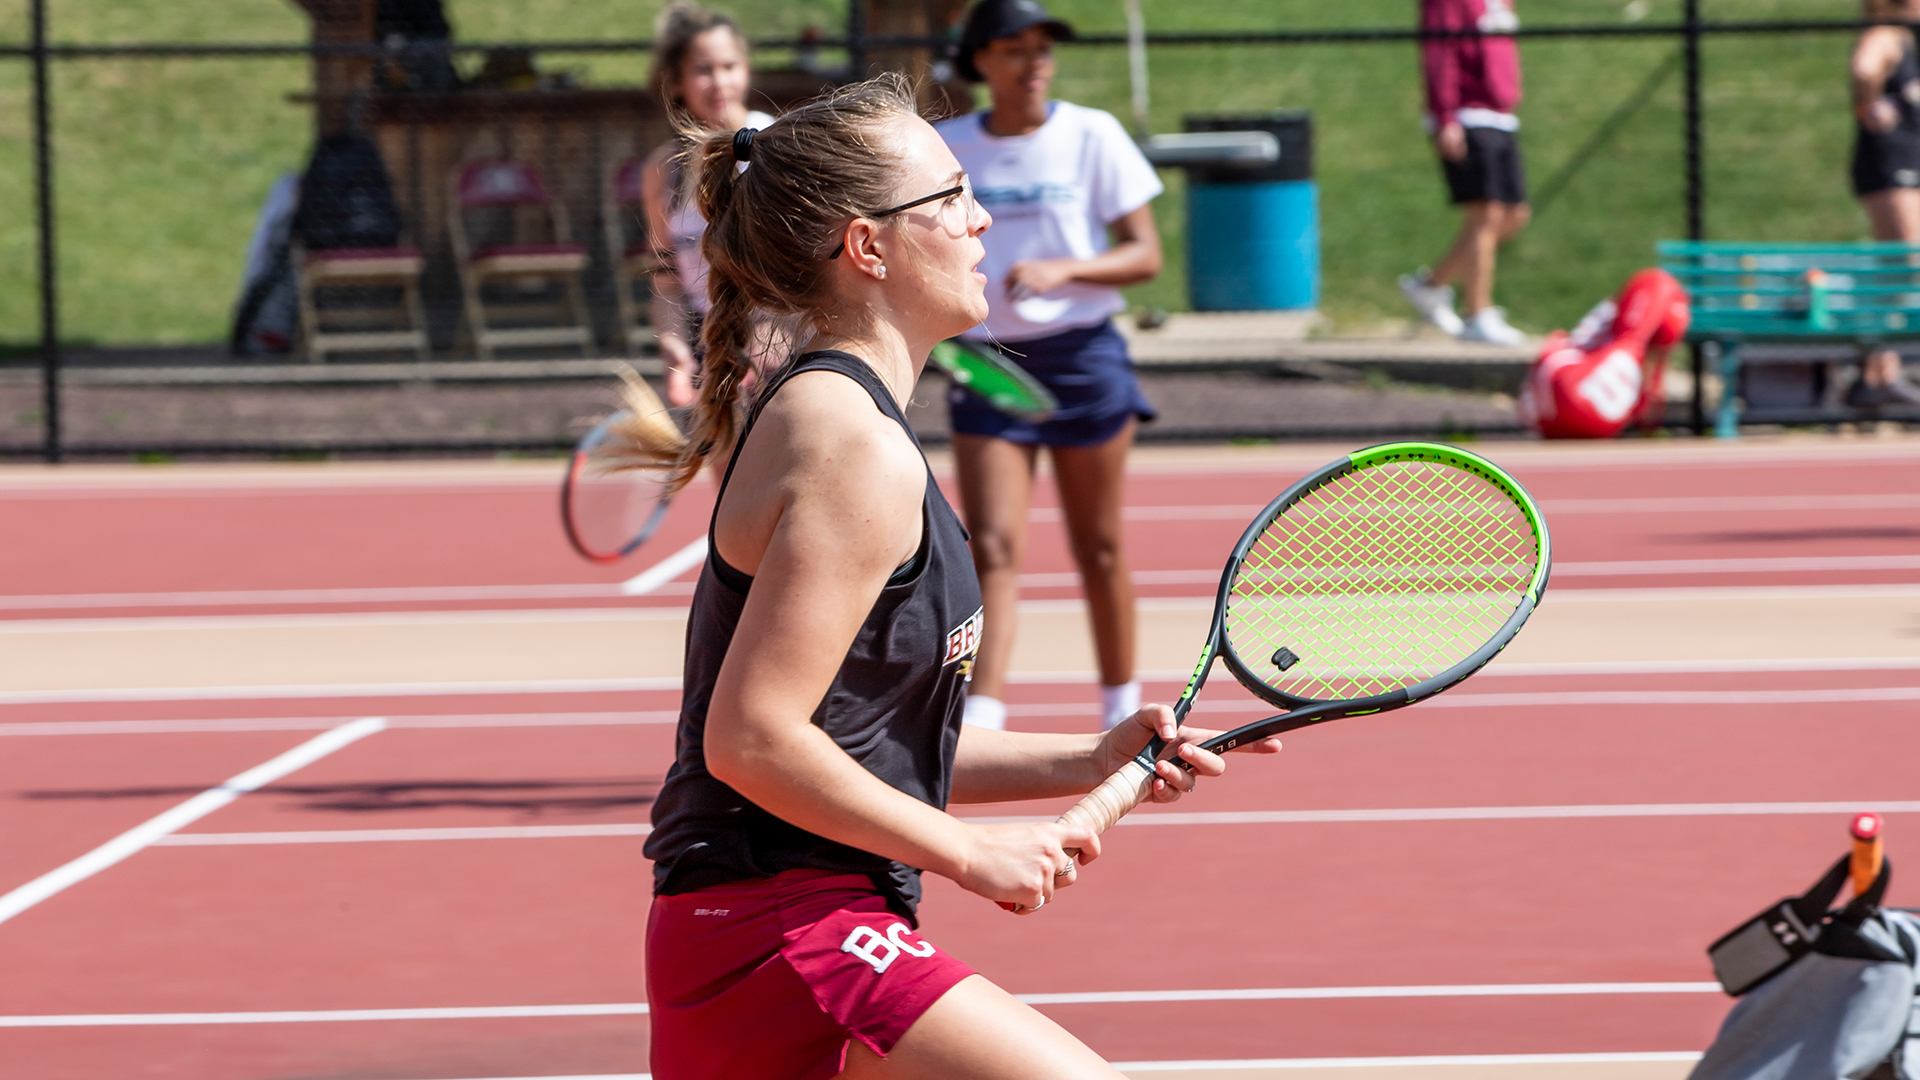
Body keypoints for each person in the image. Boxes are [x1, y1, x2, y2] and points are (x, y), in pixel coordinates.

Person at [631, 75, 1279, 1079]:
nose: (982, 220)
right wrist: (968, 852)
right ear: (868, 246)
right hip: (780, 923)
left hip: (778, 916)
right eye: (949, 199)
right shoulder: (849, 442)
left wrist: (1091, 759)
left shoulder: (851, 424)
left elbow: (868, 743)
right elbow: (751, 740)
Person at [935, 0, 1165, 733]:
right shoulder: (946, 146)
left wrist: (1066, 269)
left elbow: (1145, 253)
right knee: (994, 547)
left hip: (1084, 358)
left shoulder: (1091, 133)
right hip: (989, 363)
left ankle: (1122, 710)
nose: (1033, 64)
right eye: (1014, 49)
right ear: (981, 62)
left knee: (1098, 547)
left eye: (1043, 50)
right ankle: (984, 722)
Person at [641, 1, 775, 407]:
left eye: (729, 66)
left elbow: (814, 255)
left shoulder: (774, 143)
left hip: (781, 336)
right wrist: (674, 344)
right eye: (703, 69)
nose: (718, 82)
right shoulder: (664, 169)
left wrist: (774, 331)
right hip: (711, 340)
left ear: (746, 70)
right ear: (677, 81)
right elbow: (666, 275)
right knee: (727, 469)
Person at [1398, 0, 1531, 347]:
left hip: (1500, 111)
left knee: (1514, 214)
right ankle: (1478, 315)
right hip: (1467, 114)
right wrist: (1445, 116)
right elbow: (1439, 50)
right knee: (1485, 212)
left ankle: (1432, 285)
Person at [1850, 0, 1920, 405]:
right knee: (1906, 261)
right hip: (1890, 165)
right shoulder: (1886, 34)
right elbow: (1864, 67)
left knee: (1897, 267)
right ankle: (1874, 362)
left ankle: (1879, 369)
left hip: (1904, 163)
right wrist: (1869, 104)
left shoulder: (1905, 39)